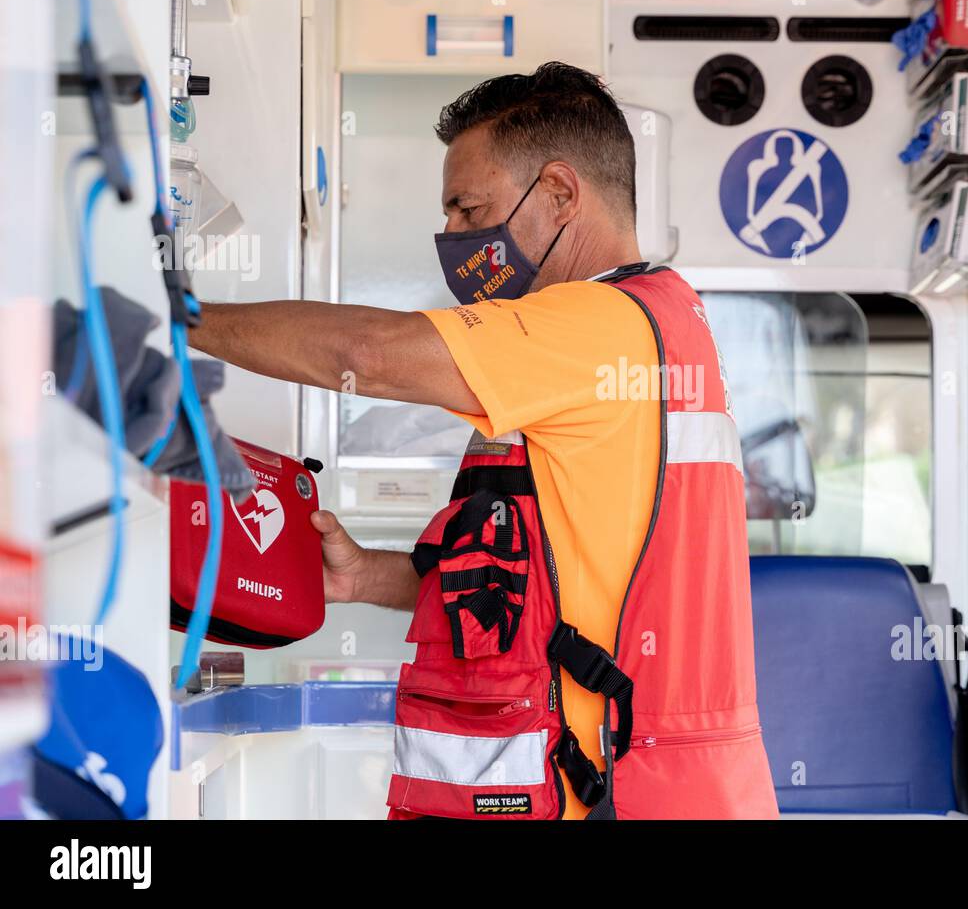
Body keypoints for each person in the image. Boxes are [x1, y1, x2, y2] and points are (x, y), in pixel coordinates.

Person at [190, 62, 778, 820]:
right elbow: (531, 589)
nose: (453, 237)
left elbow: (365, 353)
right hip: (653, 784)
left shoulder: (598, 326)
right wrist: (367, 577)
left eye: (469, 209)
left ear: (560, 193)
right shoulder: (659, 320)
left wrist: (180, 318)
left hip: (615, 791)